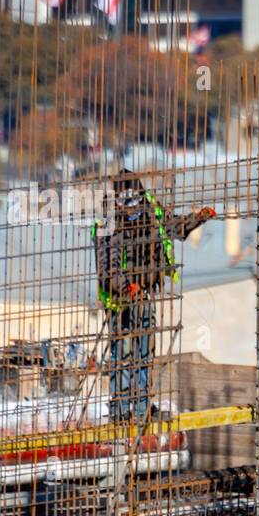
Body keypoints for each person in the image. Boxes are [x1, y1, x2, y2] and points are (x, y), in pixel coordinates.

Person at [93, 170, 214, 423]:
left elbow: (175, 228)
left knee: (144, 353)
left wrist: (198, 218)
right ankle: (121, 410)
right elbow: (107, 270)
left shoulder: (151, 211)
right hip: (118, 301)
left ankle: (140, 408)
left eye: (135, 199)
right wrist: (126, 288)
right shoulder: (108, 222)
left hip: (143, 295)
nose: (132, 206)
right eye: (126, 201)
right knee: (122, 354)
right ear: (117, 201)